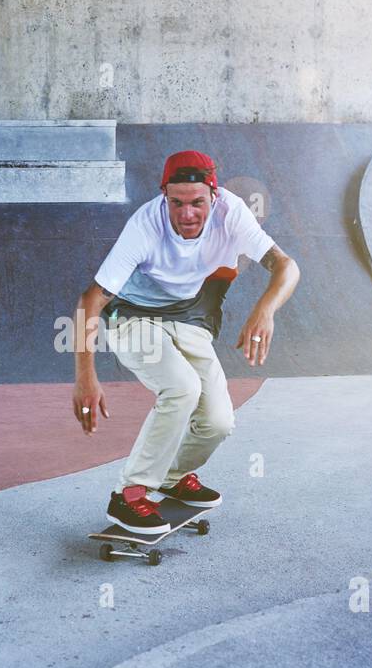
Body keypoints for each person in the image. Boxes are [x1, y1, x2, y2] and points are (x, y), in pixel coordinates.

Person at [72, 150, 300, 534]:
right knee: (182, 388)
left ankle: (172, 476)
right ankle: (127, 495)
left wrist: (266, 309)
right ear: (164, 196)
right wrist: (85, 378)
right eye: (176, 203)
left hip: (188, 319)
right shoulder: (145, 224)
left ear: (214, 194)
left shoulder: (232, 212)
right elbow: (91, 299)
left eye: (197, 203)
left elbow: (286, 266)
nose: (187, 214)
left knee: (218, 421)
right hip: (131, 316)